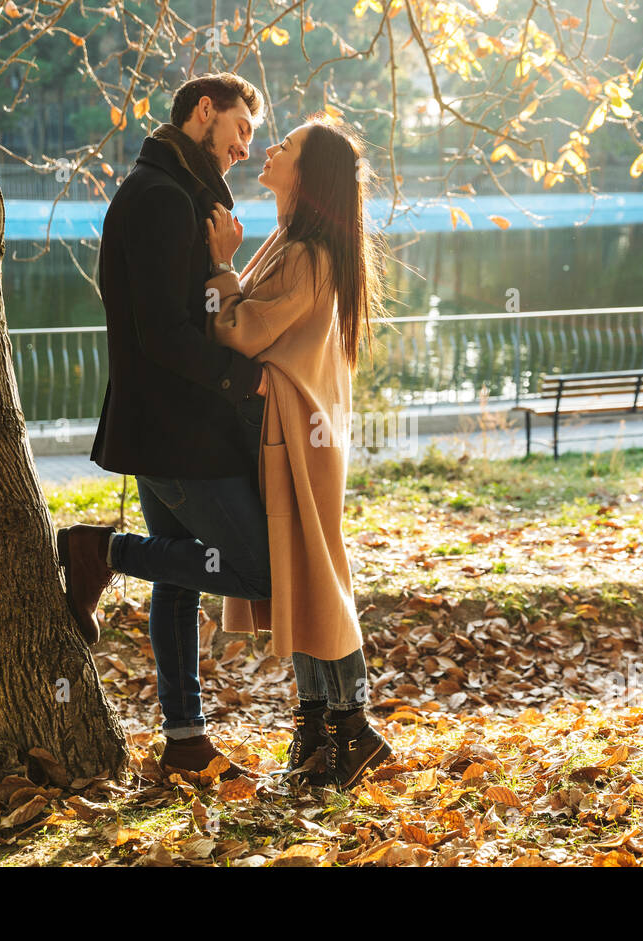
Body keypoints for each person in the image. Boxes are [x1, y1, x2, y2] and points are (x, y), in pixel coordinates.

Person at [57, 73, 270, 782]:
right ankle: (102, 553)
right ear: (203, 113)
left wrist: (220, 266)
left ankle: (183, 740)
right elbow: (161, 334)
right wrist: (245, 378)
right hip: (182, 434)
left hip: (171, 427)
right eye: (241, 127)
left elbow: (177, 313)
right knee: (256, 569)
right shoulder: (158, 197)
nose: (245, 146)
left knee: (179, 582)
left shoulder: (173, 193)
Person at [202, 116, 392, 789]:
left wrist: (222, 265)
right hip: (294, 432)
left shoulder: (308, 254)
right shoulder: (295, 243)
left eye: (288, 147)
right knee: (299, 578)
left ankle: (354, 726)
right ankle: (317, 725)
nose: (271, 149)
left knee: (313, 576)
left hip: (298, 434)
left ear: (309, 175)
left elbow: (242, 329)